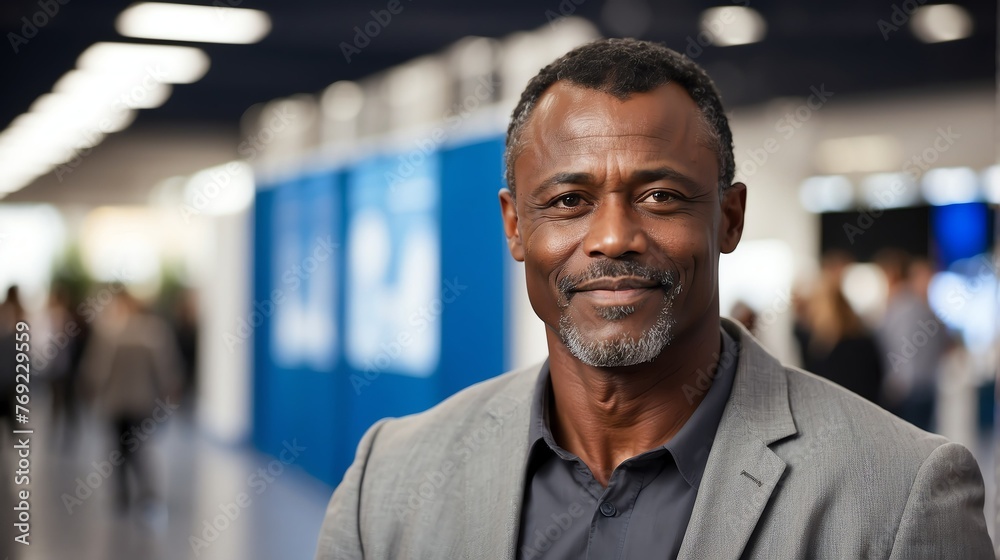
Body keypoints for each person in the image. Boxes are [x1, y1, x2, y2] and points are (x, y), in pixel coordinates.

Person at [316, 39, 991, 559]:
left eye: (661, 196)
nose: (613, 237)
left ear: (729, 219)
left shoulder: (902, 495)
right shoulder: (391, 479)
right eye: (569, 201)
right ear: (516, 225)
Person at [79, 291, 183, 518]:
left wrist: (92, 388)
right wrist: (169, 391)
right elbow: (166, 368)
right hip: (142, 402)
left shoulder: (109, 333)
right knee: (138, 447)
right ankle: (146, 494)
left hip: (116, 402)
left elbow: (98, 368)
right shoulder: (154, 332)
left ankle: (122, 495)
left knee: (118, 449)